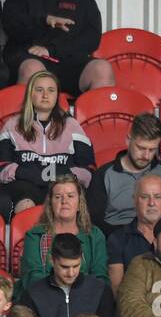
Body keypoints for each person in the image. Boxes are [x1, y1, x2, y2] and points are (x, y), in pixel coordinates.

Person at [0, 71, 92, 220]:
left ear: (57, 95)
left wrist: (64, 173)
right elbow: (2, 167)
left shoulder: (72, 125)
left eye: (51, 90)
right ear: (30, 94)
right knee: (25, 202)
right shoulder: (12, 125)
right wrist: (27, 173)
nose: (45, 95)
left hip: (62, 186)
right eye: (39, 90)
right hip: (25, 187)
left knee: (64, 201)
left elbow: (89, 170)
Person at [87, 112, 161, 237]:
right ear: (128, 140)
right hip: (119, 242)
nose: (146, 156)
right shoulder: (103, 176)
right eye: (141, 148)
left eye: (152, 150)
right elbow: (94, 226)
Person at [18, 233, 115, 317]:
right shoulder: (33, 294)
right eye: (64, 267)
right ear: (52, 260)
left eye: (76, 266)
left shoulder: (100, 290)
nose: (71, 273)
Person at [17, 174, 107, 298]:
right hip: (43, 299)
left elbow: (100, 277)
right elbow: (32, 278)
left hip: (85, 299)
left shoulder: (95, 235)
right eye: (58, 197)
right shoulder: (35, 236)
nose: (64, 201)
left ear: (80, 202)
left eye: (70, 196)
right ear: (50, 204)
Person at [105, 173, 161, 295]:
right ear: (134, 200)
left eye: (157, 197)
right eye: (144, 197)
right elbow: (117, 291)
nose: (151, 203)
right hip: (133, 309)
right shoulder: (117, 239)